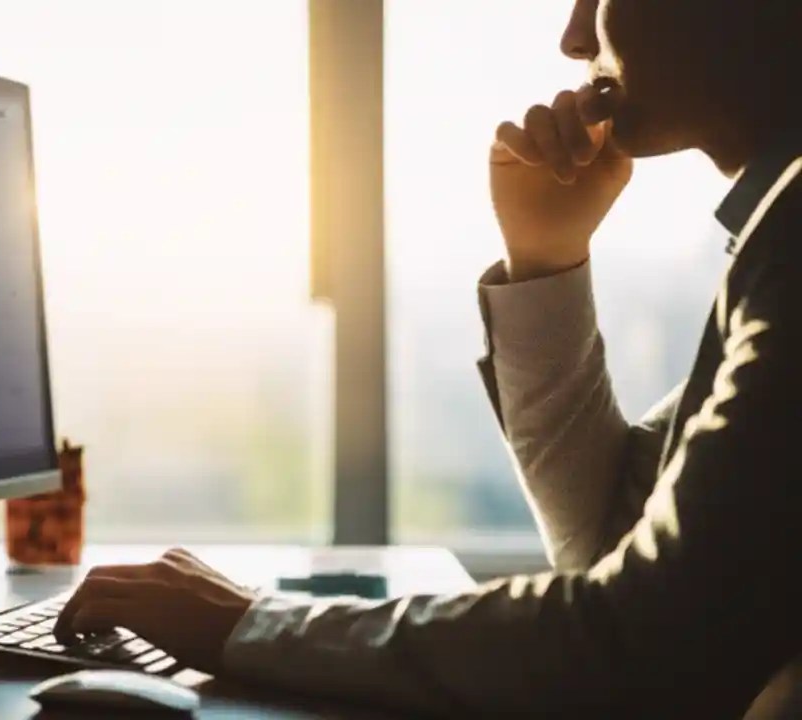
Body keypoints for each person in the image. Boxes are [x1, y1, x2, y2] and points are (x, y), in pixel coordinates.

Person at [53, 0, 802, 716]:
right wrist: (545, 261)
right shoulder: (776, 229)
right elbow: (614, 548)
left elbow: (638, 641)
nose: (576, 39)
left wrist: (245, 624)